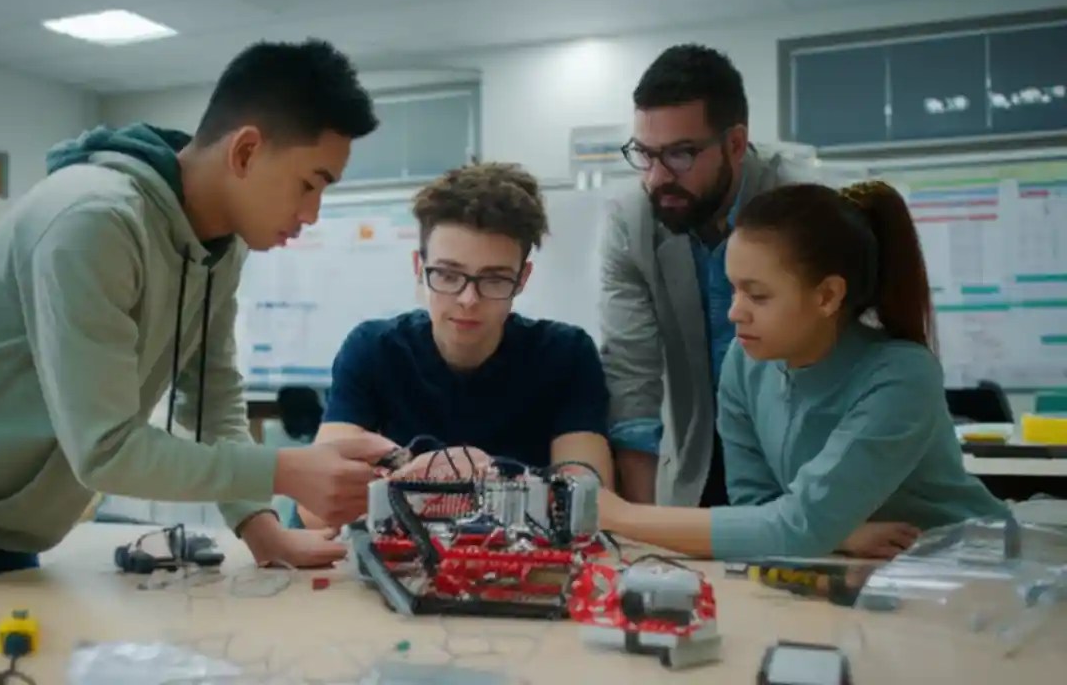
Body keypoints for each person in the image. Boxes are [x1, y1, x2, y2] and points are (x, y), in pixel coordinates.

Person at [0, 38, 400, 605]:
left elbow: (211, 400)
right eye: (310, 183)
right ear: (246, 152)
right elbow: (107, 449)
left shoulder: (220, 248)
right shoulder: (94, 220)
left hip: (8, 524)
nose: (311, 214)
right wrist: (282, 470)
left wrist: (260, 526)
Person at [615, 180, 1011, 559]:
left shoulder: (902, 375)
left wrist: (621, 515)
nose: (735, 311)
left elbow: (796, 527)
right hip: (860, 570)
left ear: (827, 296)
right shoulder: (744, 363)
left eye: (757, 295)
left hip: (969, 567)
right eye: (733, 289)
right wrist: (838, 534)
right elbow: (759, 506)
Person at [293, 162, 633, 530]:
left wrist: (409, 484)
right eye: (448, 275)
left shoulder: (566, 355)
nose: (468, 299)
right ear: (418, 268)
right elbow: (315, 508)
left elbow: (586, 503)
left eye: (494, 279)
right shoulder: (374, 349)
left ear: (522, 279)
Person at [600, 43, 807, 507]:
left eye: (679, 155)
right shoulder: (632, 221)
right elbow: (632, 377)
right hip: (698, 468)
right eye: (645, 154)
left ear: (735, 144)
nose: (656, 178)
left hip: (806, 470)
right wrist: (643, 531)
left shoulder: (805, 207)